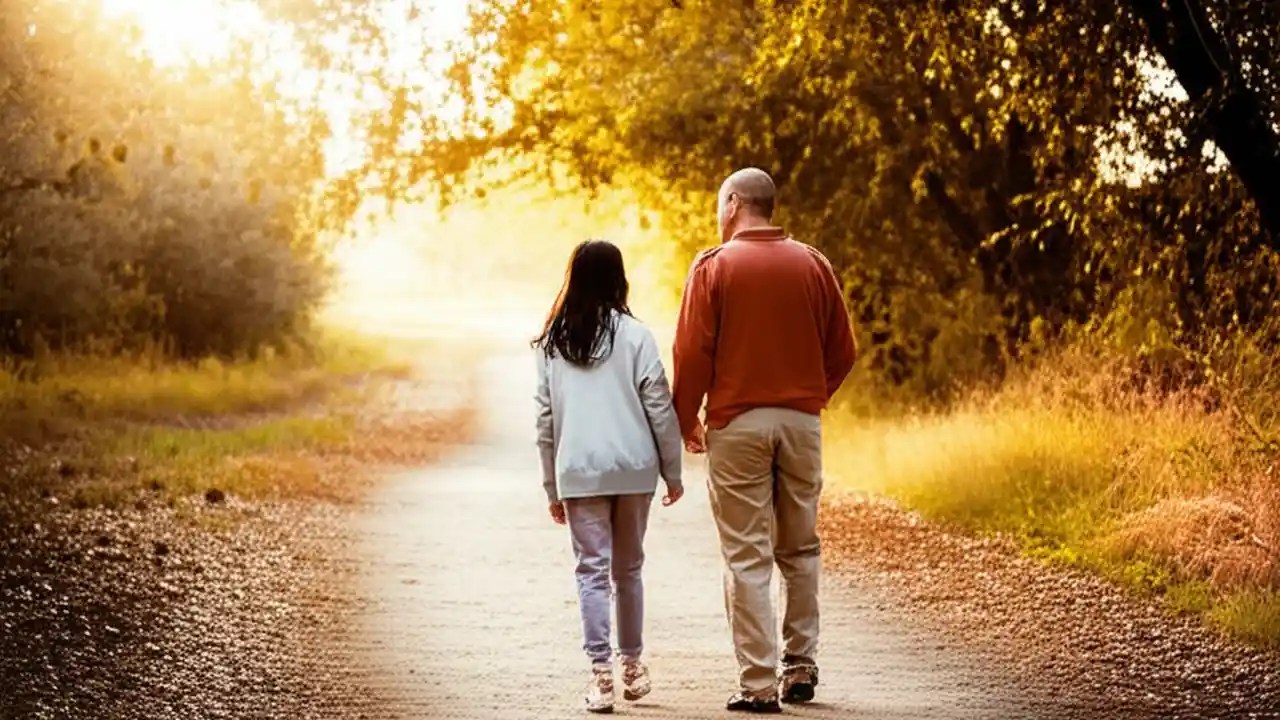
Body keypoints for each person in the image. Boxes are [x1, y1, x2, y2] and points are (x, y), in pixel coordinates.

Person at [673, 168, 857, 713]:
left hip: (738, 424)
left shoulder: (714, 267)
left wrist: (688, 419)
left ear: (732, 204)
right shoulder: (813, 263)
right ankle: (800, 666)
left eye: (717, 203)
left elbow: (691, 354)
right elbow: (842, 349)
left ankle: (756, 684)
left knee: (747, 555)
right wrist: (807, 396)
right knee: (800, 546)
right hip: (802, 424)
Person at [533, 239, 685, 715]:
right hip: (634, 469)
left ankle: (600, 677)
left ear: (572, 279)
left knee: (591, 573)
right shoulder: (637, 336)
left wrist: (550, 486)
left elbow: (545, 419)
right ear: (619, 279)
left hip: (579, 470)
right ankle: (633, 667)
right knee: (629, 570)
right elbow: (659, 406)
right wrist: (672, 471)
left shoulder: (552, 342)